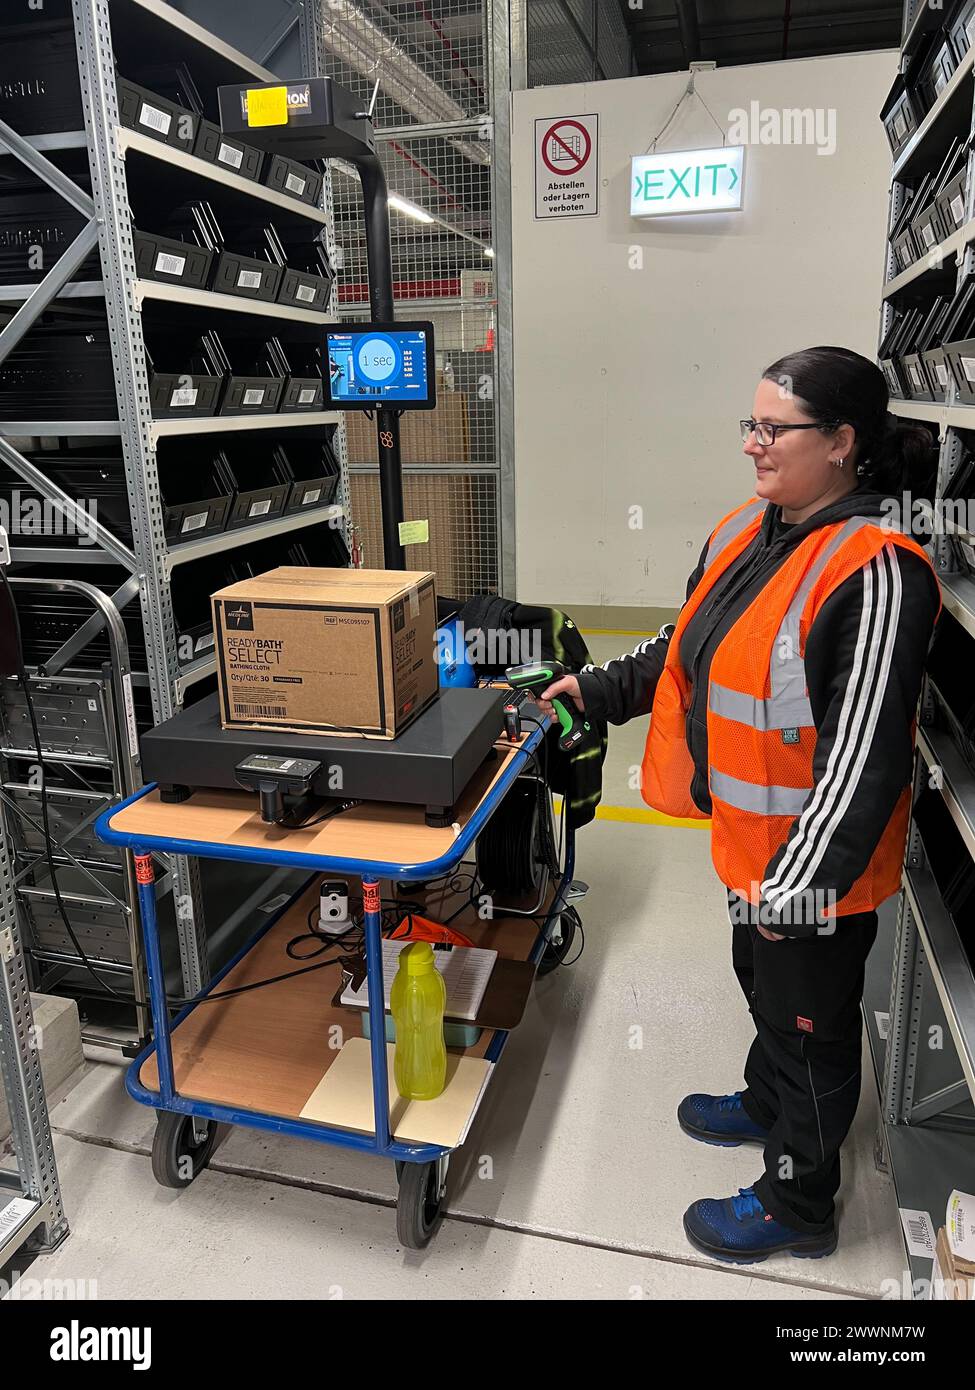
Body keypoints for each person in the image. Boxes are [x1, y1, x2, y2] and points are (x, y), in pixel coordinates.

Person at [538, 347, 941, 1265]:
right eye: (749, 426)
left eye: (774, 429)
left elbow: (861, 759)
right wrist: (592, 690)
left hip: (811, 878)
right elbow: (682, 648)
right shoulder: (747, 532)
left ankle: (800, 1202)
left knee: (811, 1032)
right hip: (747, 851)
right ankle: (764, 1102)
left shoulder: (875, 572)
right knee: (761, 994)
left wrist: (792, 896)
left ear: (840, 443)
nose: (753, 446)